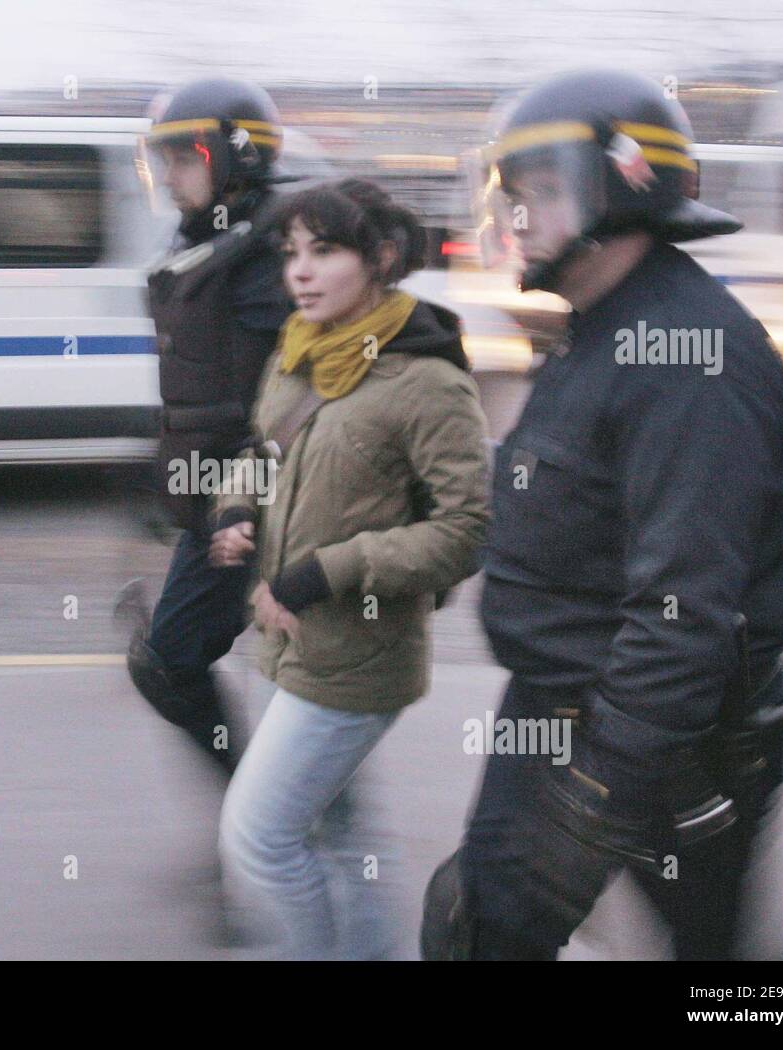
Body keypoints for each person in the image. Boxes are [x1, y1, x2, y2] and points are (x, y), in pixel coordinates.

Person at [420, 69, 783, 961]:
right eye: (509, 198)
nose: (516, 220)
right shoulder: (597, 326)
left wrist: (595, 794)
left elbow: (683, 617)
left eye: (543, 193)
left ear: (624, 185)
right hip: (573, 711)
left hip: (650, 741)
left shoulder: (689, 358)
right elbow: (568, 502)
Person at [209, 179, 489, 959]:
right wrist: (236, 509)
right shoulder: (298, 351)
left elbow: (466, 531)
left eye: (324, 251)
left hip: (359, 655)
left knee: (258, 837)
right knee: (344, 835)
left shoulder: (427, 381)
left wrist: (328, 570)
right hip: (285, 646)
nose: (300, 272)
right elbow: (264, 454)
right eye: (291, 253)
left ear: (382, 257)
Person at [117, 78, 293, 778]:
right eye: (161, 159)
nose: (167, 175)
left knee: (175, 659)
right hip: (214, 497)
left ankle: (259, 820)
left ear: (236, 157)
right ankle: (262, 818)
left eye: (182, 158)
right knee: (187, 661)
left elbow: (284, 399)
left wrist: (244, 501)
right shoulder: (208, 241)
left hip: (254, 505)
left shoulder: (272, 253)